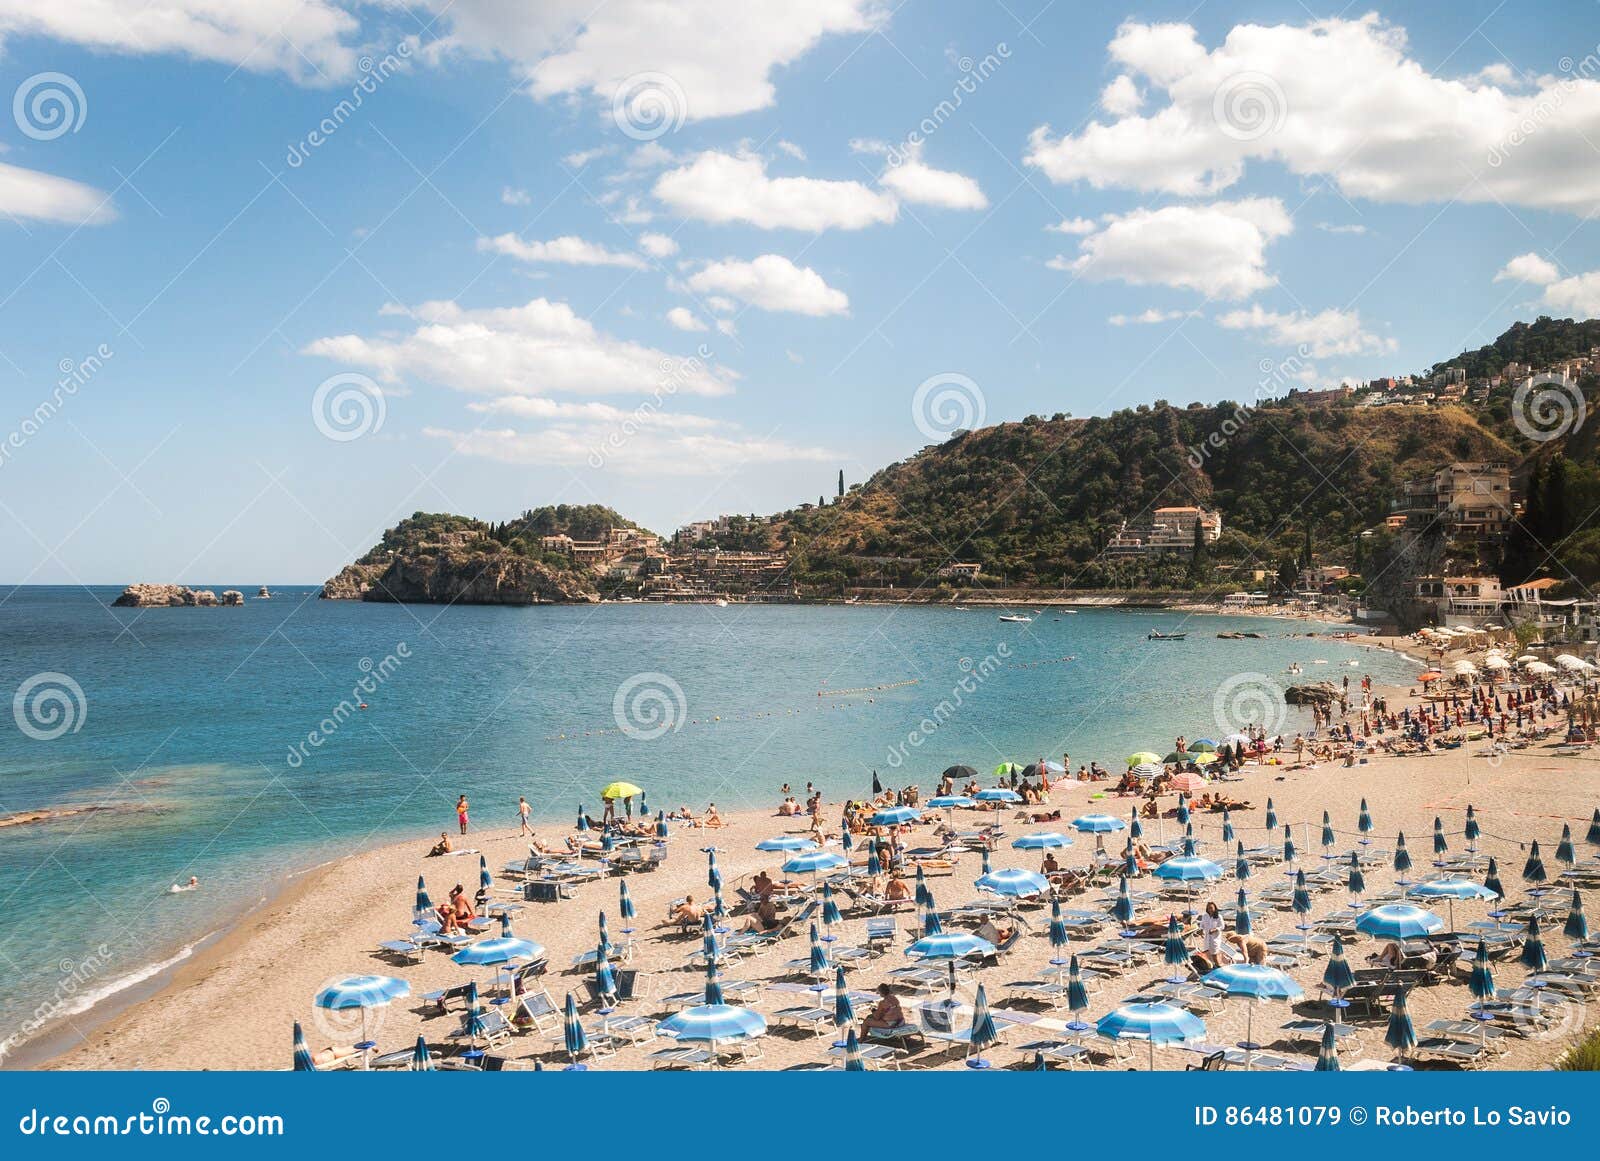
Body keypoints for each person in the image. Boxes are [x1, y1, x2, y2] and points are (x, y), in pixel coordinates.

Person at [1198, 901, 1223, 966]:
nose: (1210, 910)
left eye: (1211, 908)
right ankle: (1212, 966)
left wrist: (1215, 929)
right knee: (1207, 953)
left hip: (1215, 939)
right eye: (1209, 908)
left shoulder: (1219, 917)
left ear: (1215, 908)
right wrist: (1201, 930)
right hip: (1207, 938)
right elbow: (1202, 924)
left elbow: (1222, 926)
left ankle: (1218, 966)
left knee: (1215, 954)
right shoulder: (1205, 916)